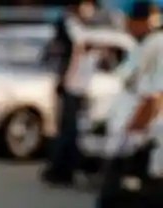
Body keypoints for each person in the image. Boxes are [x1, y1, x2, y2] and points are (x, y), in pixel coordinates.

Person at [90, 0, 163, 208]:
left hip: (145, 153)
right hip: (150, 152)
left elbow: (153, 97)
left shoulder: (158, 45)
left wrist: (129, 138)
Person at [42, 0, 99, 186]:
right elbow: (74, 52)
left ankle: (65, 169)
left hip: (79, 84)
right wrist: (67, 78)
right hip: (72, 83)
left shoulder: (81, 26)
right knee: (68, 128)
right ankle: (61, 169)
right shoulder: (70, 26)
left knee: (71, 128)